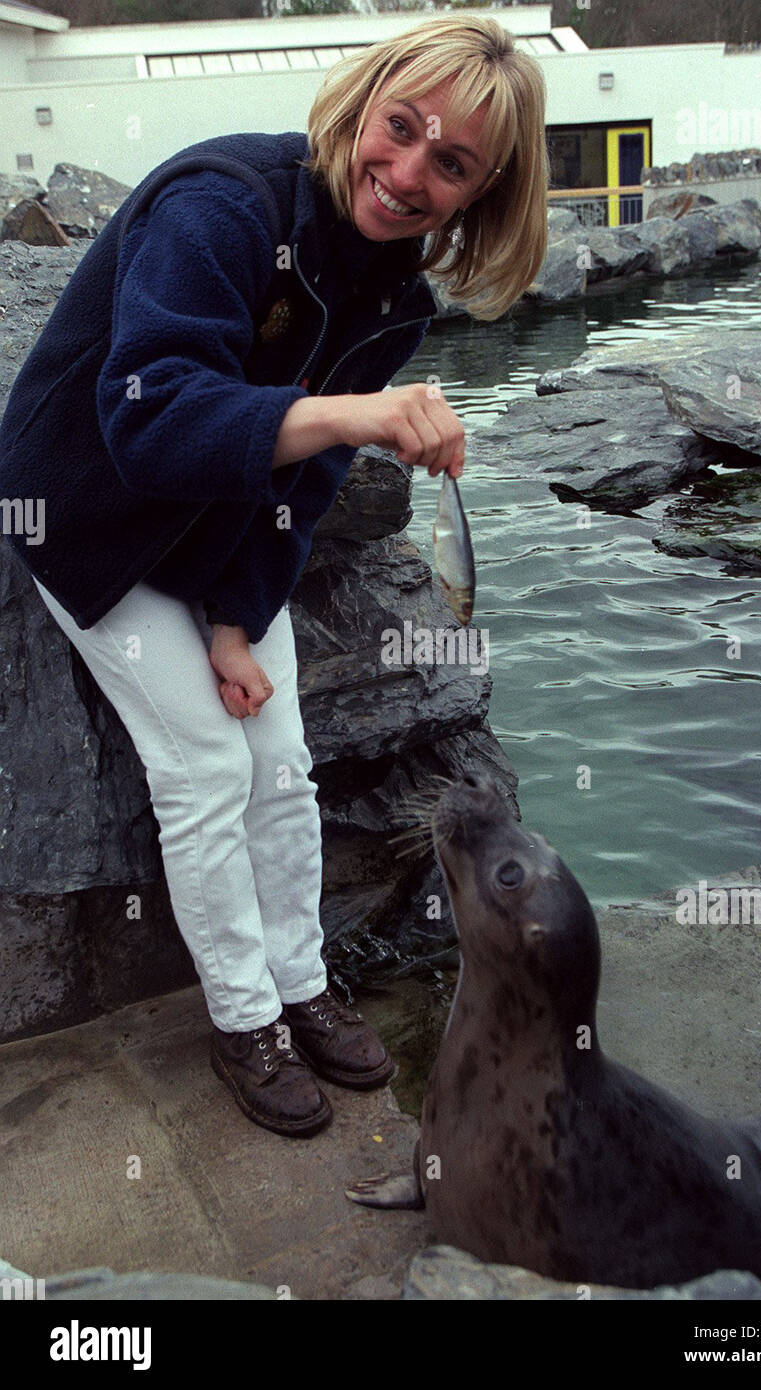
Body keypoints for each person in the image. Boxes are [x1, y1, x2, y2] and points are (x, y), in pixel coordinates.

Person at [0, 16, 549, 1136]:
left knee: (280, 762)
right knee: (204, 762)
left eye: (449, 165)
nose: (404, 174)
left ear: (480, 193)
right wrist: (357, 410)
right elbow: (146, 416)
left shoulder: (395, 293)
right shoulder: (228, 203)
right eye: (400, 130)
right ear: (366, 103)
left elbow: (303, 481)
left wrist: (236, 618)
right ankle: (244, 1016)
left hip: (216, 519)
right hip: (89, 508)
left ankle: (303, 983)